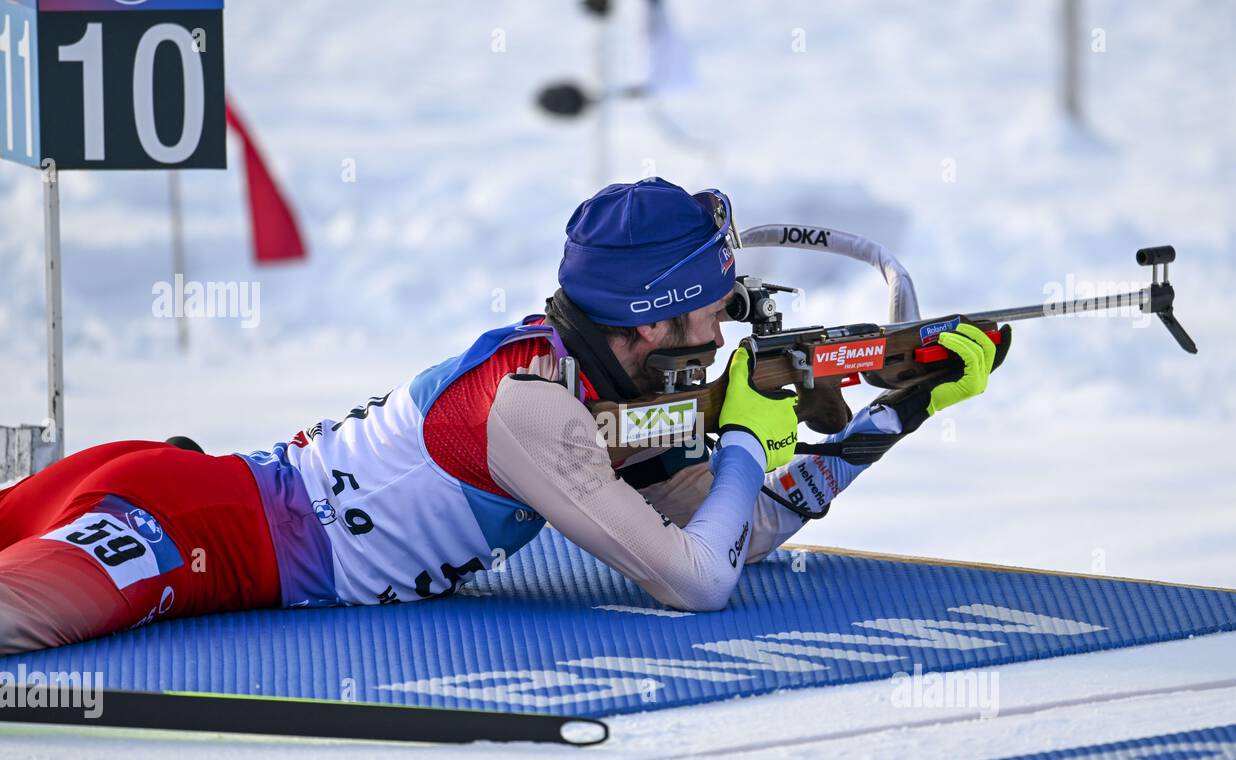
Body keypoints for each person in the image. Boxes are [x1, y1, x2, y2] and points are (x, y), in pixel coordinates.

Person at [0, 178, 1000, 655]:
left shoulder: (608, 381)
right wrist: (745, 429)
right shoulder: (536, 413)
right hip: (186, 535)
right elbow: (696, 583)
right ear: (649, 319)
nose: (726, 317)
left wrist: (884, 419)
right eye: (713, 300)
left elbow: (733, 533)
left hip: (174, 485)